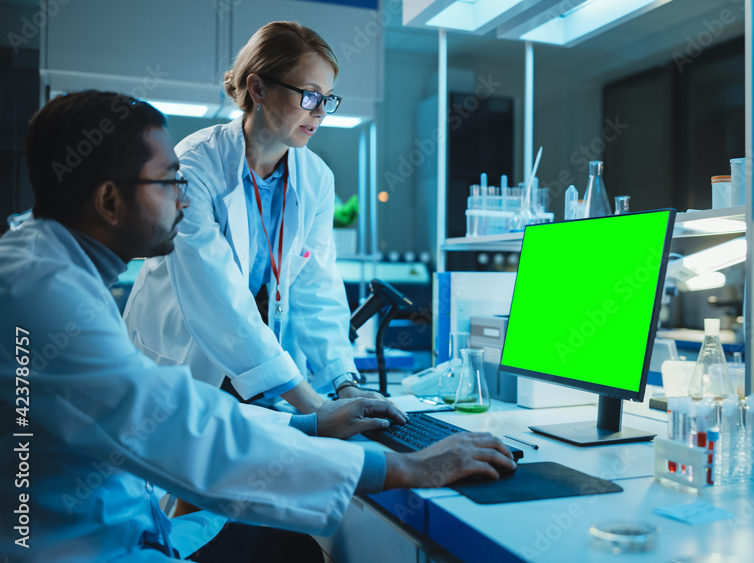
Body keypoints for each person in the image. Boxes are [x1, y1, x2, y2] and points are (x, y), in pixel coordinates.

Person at [0, 90, 516, 562]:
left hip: (109, 528)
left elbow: (175, 408)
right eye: (169, 181)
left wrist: (311, 422)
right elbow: (173, 425)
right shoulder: (40, 295)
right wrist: (406, 468)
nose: (184, 197)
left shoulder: (52, 269)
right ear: (109, 201)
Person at [124, 22, 374, 415]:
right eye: (310, 96)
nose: (322, 112)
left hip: (261, 381)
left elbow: (316, 286)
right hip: (179, 366)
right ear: (258, 88)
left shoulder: (316, 179)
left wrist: (343, 382)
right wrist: (311, 404)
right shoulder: (195, 166)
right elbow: (216, 299)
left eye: (328, 98)